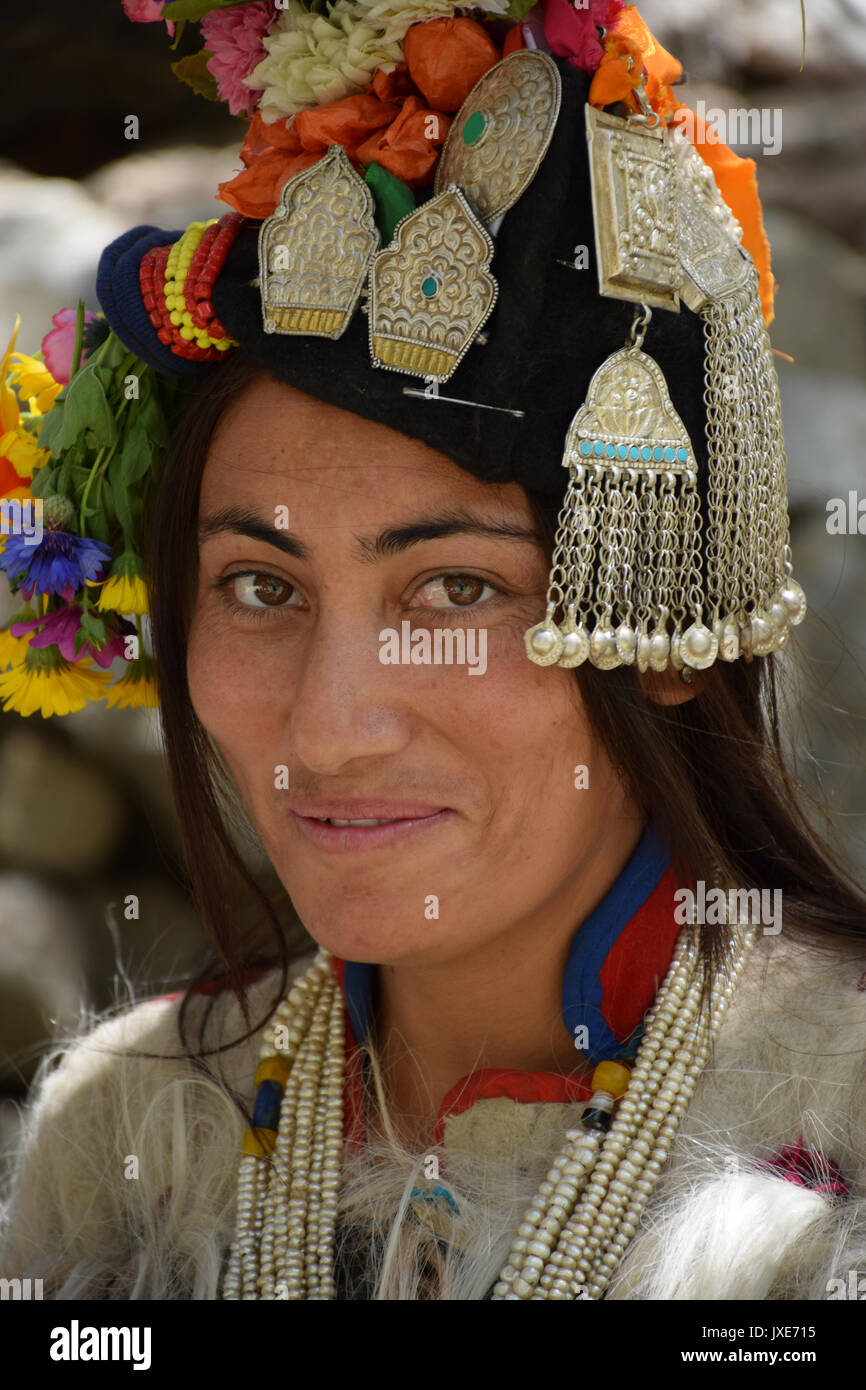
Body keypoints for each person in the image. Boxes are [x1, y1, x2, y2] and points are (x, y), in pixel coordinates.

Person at [0, 0, 864, 1302]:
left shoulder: (836, 1108)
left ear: (667, 619)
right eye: (257, 583)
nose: (329, 727)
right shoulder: (128, 1133)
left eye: (455, 586)